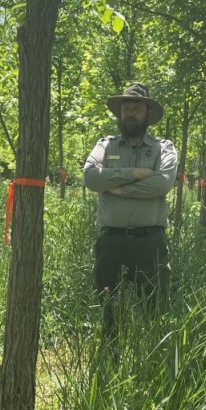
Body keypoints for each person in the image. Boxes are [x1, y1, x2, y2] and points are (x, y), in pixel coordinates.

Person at [81, 83, 177, 338]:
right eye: (126, 108)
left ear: (147, 113)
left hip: (150, 243)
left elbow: (162, 183)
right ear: (119, 113)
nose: (130, 112)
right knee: (111, 312)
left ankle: (153, 368)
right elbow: (91, 178)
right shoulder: (105, 146)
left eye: (136, 107)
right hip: (111, 242)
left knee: (154, 312)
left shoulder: (163, 148)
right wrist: (135, 174)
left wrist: (118, 188)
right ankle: (111, 363)